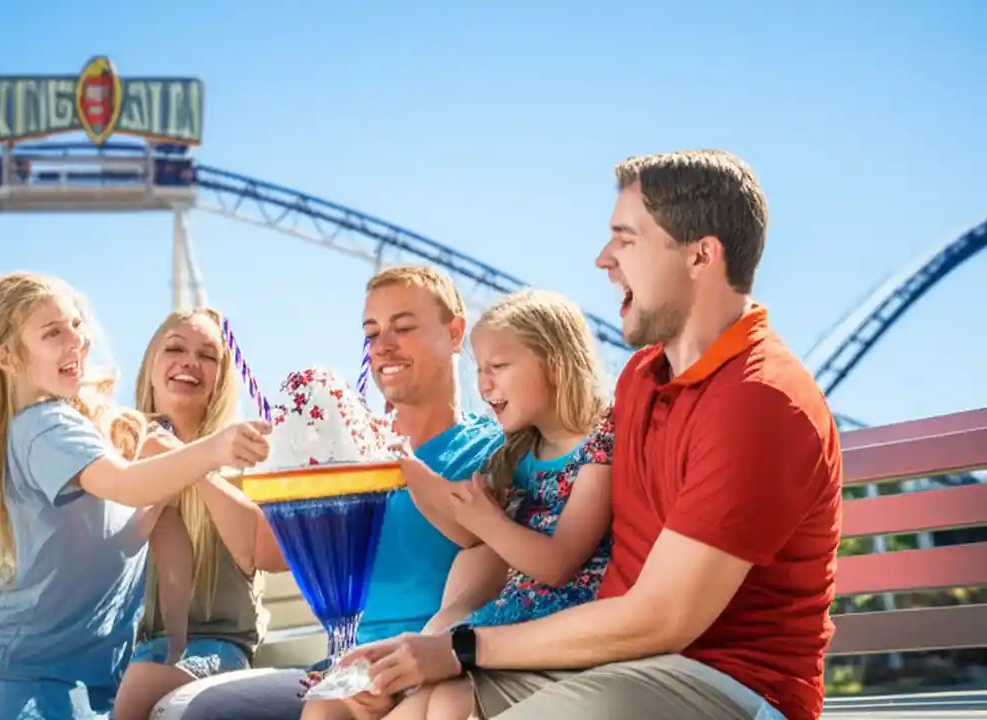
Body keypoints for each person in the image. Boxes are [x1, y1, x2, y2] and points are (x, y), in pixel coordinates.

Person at [340, 150, 842, 720]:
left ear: (701, 255)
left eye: (625, 240)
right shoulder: (642, 380)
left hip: (721, 683)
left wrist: (460, 647)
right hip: (620, 665)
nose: (603, 260)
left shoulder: (760, 401)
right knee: (428, 705)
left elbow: (663, 618)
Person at [147, 265, 504, 720]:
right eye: (372, 333)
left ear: (455, 333)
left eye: (404, 327)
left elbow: (488, 556)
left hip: (442, 666)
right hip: (346, 672)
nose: (383, 346)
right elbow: (267, 547)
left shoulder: (490, 450)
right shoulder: (350, 454)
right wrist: (194, 462)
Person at [0, 272, 272, 719]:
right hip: (6, 682)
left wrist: (179, 642)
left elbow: (162, 538)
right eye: (53, 332)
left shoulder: (100, 433)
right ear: (7, 357)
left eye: (76, 325)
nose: (77, 341)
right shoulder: (45, 425)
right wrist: (212, 449)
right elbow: (126, 483)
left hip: (72, 685)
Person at [305, 288, 617, 720]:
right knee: (334, 706)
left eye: (499, 367)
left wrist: (487, 522)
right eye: (480, 370)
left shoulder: (598, 446)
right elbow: (464, 527)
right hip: (504, 615)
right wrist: (405, 467)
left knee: (449, 702)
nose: (484, 384)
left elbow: (557, 563)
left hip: (554, 625)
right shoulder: (517, 452)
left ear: (556, 363)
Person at [114, 308, 290, 719]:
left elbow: (267, 553)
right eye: (174, 348)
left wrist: (188, 460)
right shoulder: (115, 464)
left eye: (208, 356)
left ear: (221, 379)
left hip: (215, 649)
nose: (190, 361)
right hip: (131, 650)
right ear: (151, 368)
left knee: (138, 684)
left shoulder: (244, 461)